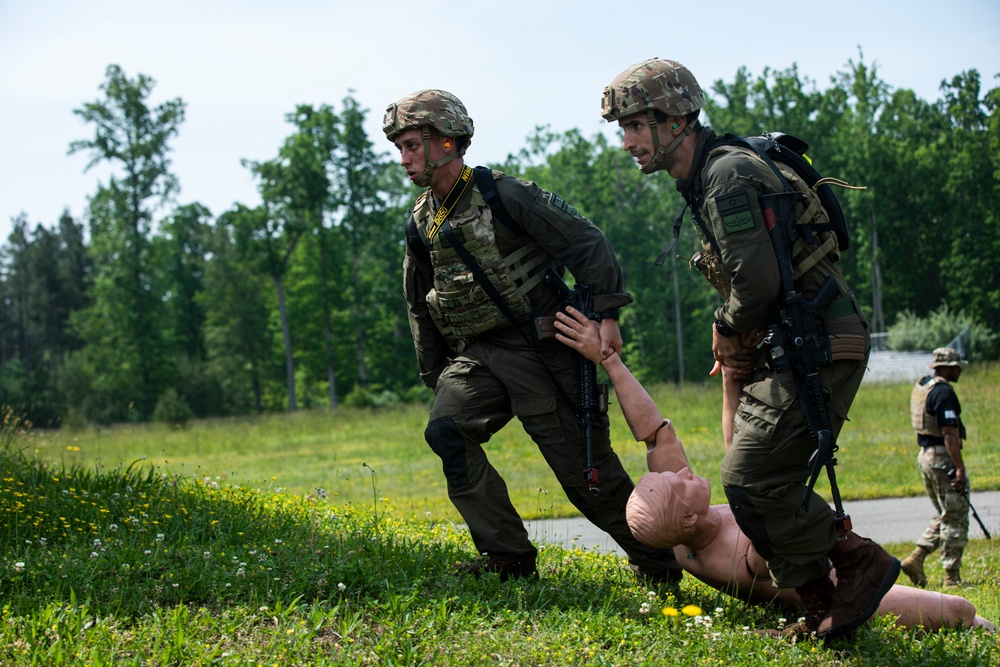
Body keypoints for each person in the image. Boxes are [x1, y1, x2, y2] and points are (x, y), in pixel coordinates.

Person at [600, 58, 898, 640]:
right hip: (793, 348)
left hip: (820, 342)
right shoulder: (705, 180)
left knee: (753, 478)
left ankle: (858, 559)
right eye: (624, 129)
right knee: (754, 480)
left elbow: (756, 285)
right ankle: (818, 605)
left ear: (676, 119)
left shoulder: (726, 175)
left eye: (636, 126)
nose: (628, 141)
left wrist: (725, 327)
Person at [383, 88, 683, 585]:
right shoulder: (421, 222)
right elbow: (419, 300)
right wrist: (436, 373)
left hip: (544, 347)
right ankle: (508, 558)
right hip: (478, 356)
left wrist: (606, 314)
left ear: (448, 142)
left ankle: (659, 565)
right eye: (401, 147)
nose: (404, 158)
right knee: (446, 431)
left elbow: (586, 241)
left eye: (413, 144)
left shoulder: (504, 195)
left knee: (586, 475)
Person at [553, 307, 996, 636]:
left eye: (675, 474)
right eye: (680, 482)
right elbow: (766, 477)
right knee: (959, 610)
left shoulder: (683, 528)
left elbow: (656, 435)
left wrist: (609, 360)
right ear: (686, 519)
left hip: (814, 565)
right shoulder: (737, 553)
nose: (684, 473)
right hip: (837, 588)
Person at [900, 347, 970, 588]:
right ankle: (952, 578)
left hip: (925, 456)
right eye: (956, 365)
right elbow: (949, 433)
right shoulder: (943, 393)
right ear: (946, 366)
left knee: (945, 511)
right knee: (956, 517)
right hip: (941, 458)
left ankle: (916, 559)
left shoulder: (924, 385)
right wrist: (959, 468)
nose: (959, 369)